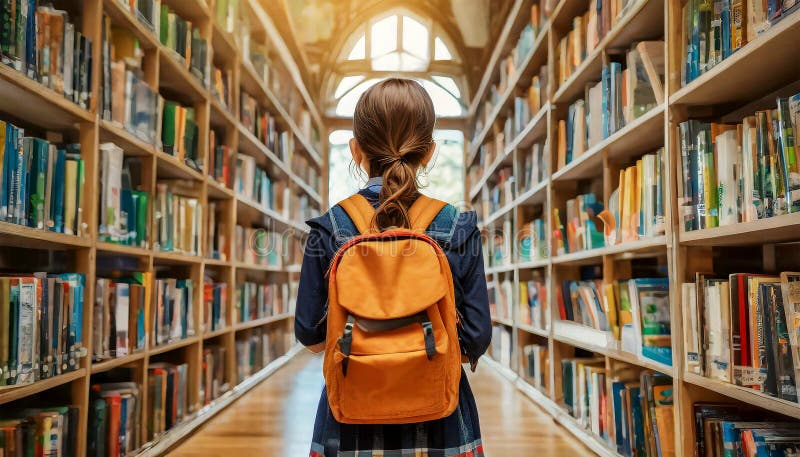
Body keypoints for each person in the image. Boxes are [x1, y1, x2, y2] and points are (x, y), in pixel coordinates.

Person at [295, 78, 492, 457]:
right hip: (440, 419)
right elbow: (475, 339)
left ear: (356, 149)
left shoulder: (329, 228)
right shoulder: (458, 227)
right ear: (429, 152)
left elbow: (310, 335)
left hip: (351, 418)